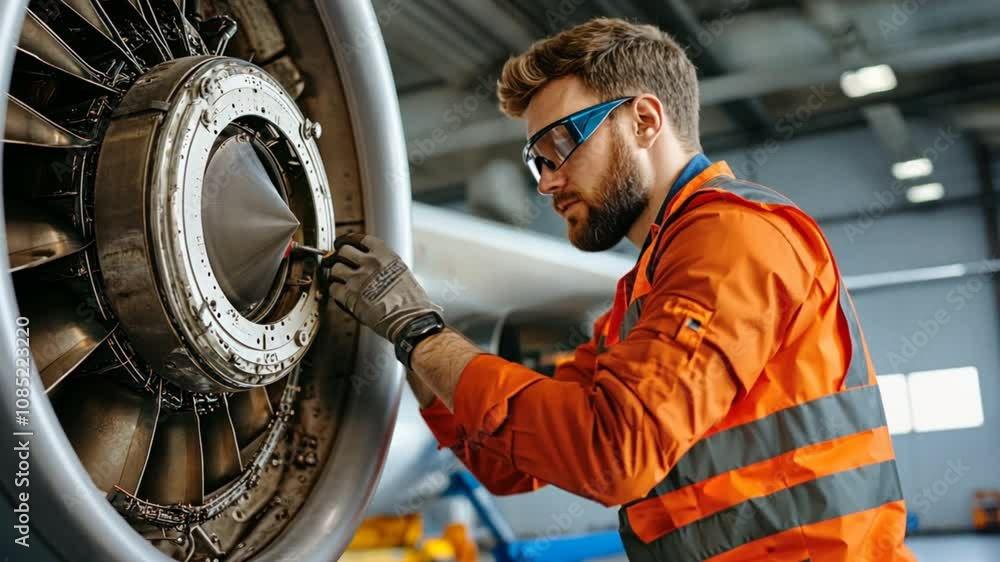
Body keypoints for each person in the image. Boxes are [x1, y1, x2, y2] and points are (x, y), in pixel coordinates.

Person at [323, 17, 916, 562]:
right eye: (537, 160)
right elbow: (513, 465)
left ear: (645, 121)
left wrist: (422, 332)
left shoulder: (733, 239)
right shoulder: (642, 292)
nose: (547, 183)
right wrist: (415, 353)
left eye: (560, 146)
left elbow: (614, 456)